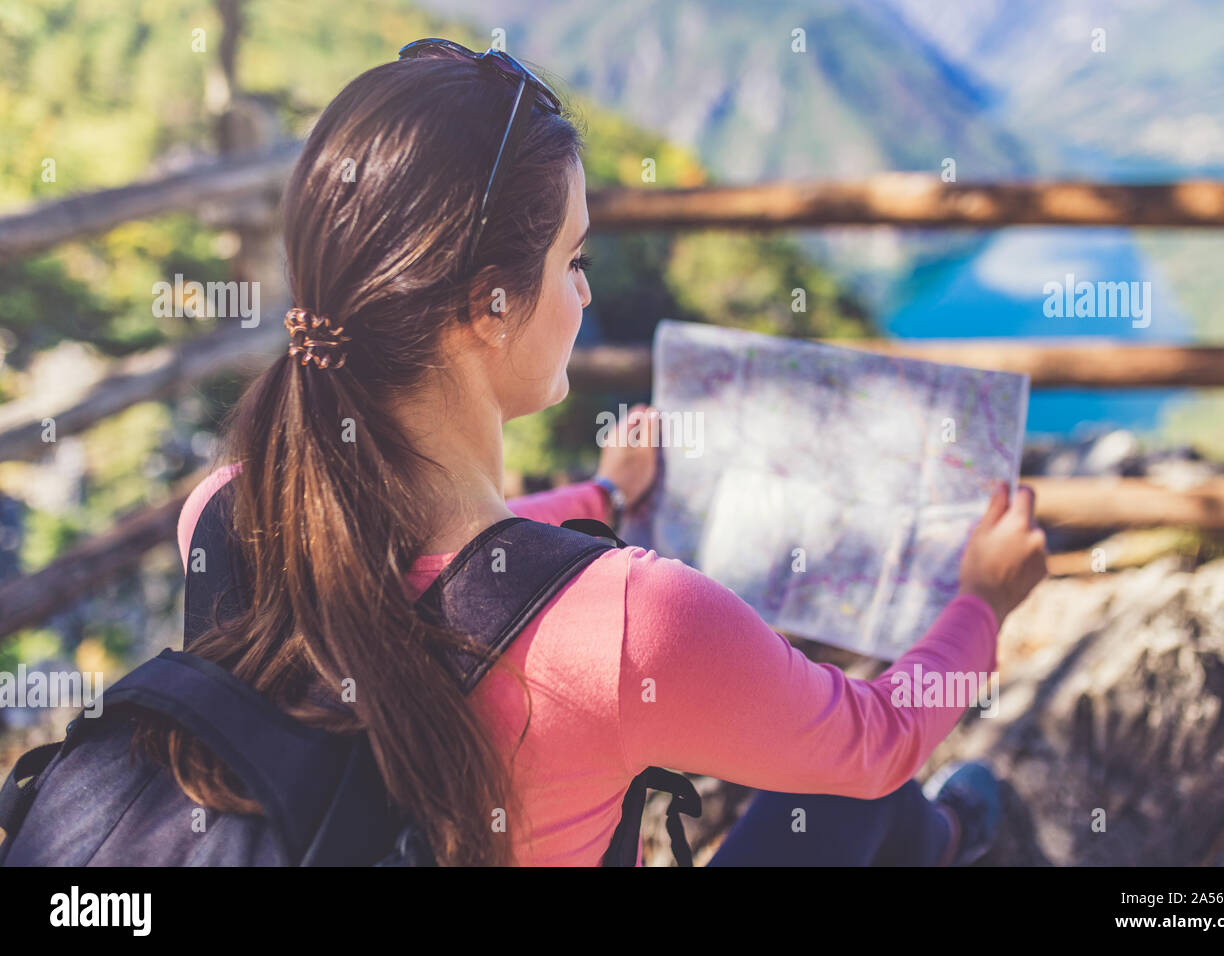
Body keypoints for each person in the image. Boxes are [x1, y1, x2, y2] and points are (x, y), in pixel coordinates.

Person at [158, 40, 1048, 867]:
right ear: (490, 307)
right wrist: (981, 603)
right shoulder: (629, 625)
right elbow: (875, 740)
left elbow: (420, 568)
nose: (583, 293)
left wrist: (601, 498)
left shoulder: (229, 514)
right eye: (570, 258)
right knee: (864, 803)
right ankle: (954, 840)